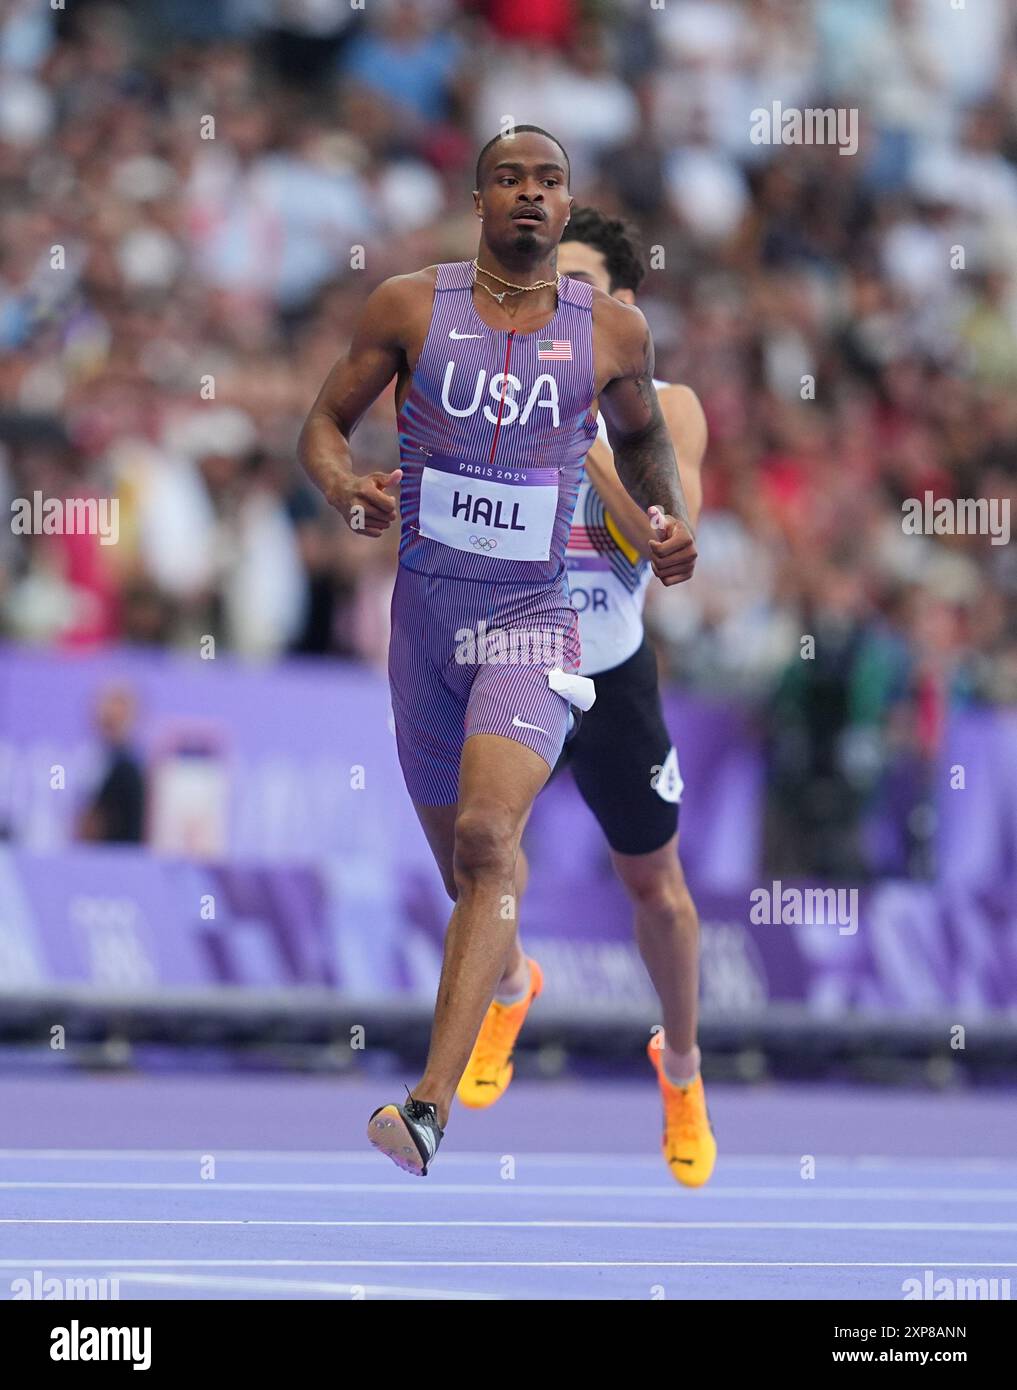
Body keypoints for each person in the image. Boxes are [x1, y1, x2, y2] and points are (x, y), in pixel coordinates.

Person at [298, 126, 696, 1176]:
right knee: (462, 870)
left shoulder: (613, 331)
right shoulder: (406, 307)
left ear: (566, 204)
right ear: (478, 200)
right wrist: (343, 486)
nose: (529, 194)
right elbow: (322, 425)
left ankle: (427, 1105)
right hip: (423, 631)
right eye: (508, 178)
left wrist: (666, 516)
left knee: (486, 838)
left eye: (548, 180)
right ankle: (512, 981)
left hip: (532, 620)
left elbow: (645, 438)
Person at [456, 208, 716, 1187]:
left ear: (625, 306)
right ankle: (510, 986)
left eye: (581, 289)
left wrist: (582, 436)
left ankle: (680, 1069)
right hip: (523, 653)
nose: (558, 304)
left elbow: (666, 539)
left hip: (613, 673)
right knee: (478, 845)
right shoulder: (503, 388)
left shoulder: (669, 408)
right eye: (547, 285)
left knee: (658, 891)